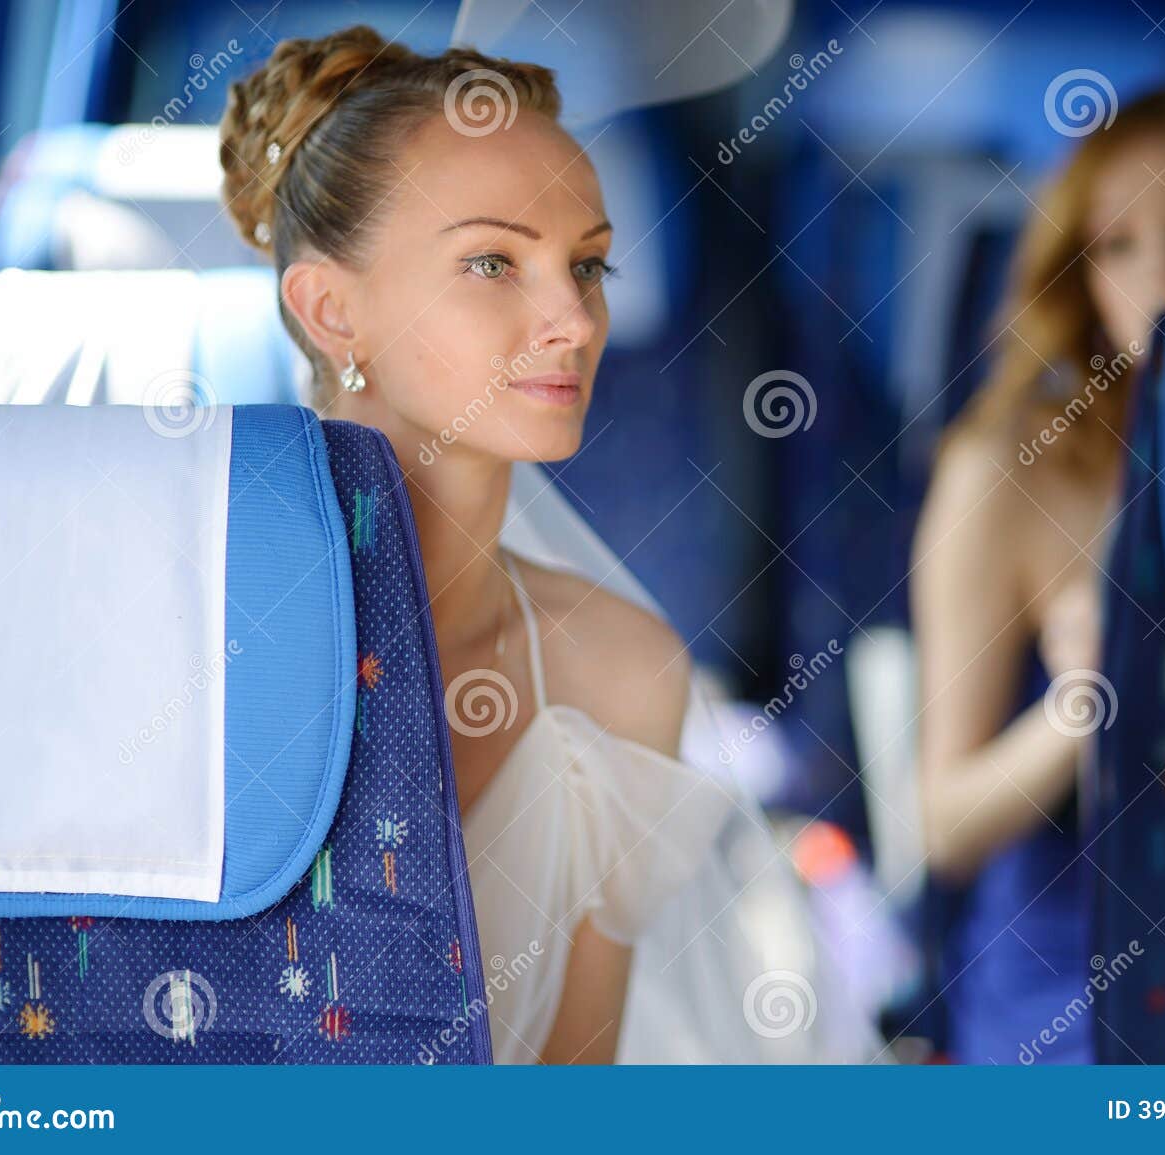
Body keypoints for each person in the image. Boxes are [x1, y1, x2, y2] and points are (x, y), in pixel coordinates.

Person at [219, 25, 850, 1065]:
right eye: (491, 262)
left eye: (587, 265)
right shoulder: (197, 640)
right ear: (332, 310)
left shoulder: (620, 675)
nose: (575, 320)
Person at [911, 88, 1165, 1063]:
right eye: (1118, 244)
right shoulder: (1007, 473)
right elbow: (942, 825)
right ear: (1084, 282)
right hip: (1080, 983)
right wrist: (1082, 704)